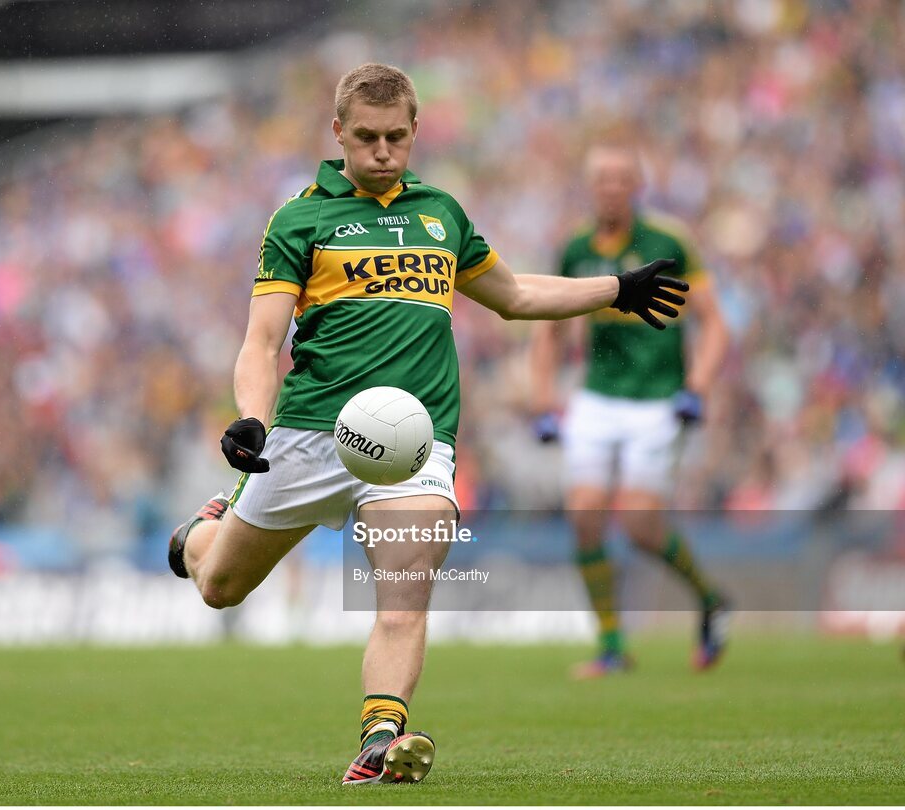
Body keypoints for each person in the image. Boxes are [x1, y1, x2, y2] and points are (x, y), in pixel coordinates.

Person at [167, 65, 687, 785]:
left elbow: (514, 294)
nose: (383, 151)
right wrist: (252, 418)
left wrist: (616, 289)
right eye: (367, 137)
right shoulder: (298, 221)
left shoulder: (441, 214)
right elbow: (260, 342)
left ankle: (380, 737)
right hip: (310, 434)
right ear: (338, 133)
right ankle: (202, 530)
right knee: (219, 585)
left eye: (397, 137)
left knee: (404, 598)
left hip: (413, 446)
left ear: (415, 131)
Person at [529, 137, 731, 680]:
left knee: (640, 525)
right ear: (590, 187)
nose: (612, 189)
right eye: (603, 179)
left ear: (638, 185)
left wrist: (698, 385)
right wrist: (544, 399)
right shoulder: (575, 248)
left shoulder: (669, 241)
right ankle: (612, 645)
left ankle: (710, 599)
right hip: (597, 396)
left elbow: (715, 323)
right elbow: (549, 328)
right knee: (584, 517)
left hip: (658, 398)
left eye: (622, 179)